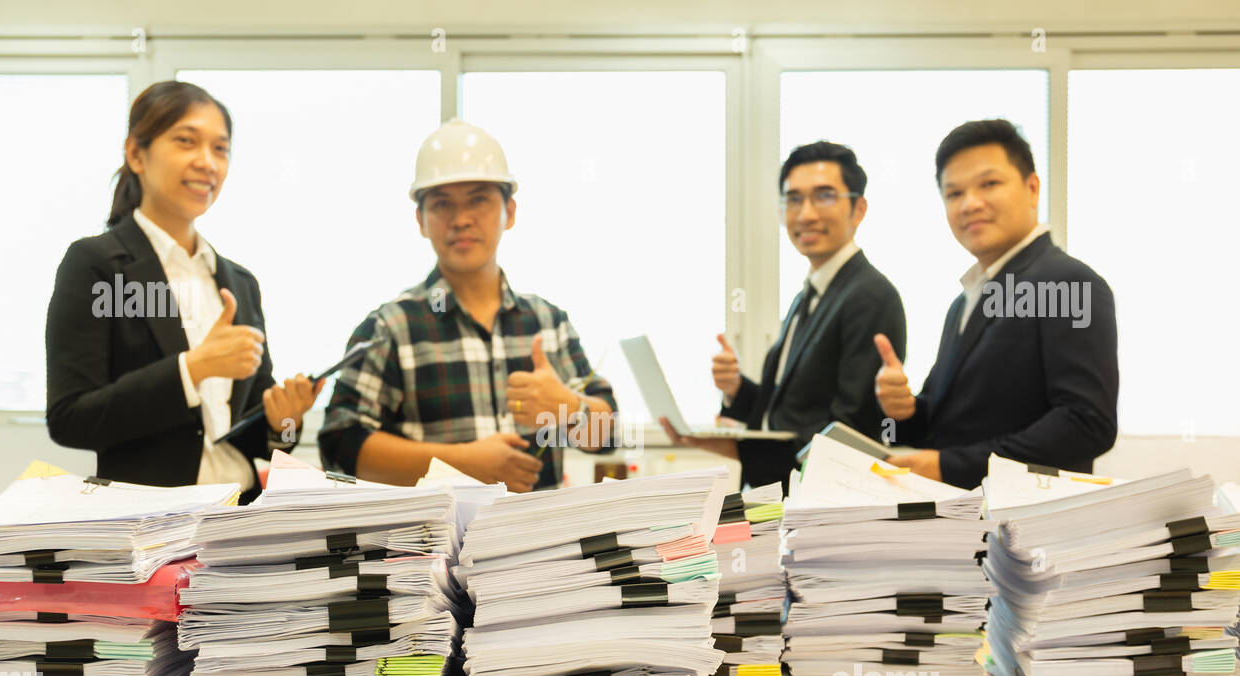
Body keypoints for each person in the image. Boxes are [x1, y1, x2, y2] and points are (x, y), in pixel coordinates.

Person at [46, 80, 321, 494]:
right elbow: (71, 419)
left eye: (220, 148)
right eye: (186, 141)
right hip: (149, 521)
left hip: (241, 518)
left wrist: (287, 419)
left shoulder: (239, 283)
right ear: (136, 154)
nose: (207, 162)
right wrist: (193, 369)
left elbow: (254, 438)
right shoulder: (97, 265)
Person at [319, 118, 616, 492]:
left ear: (509, 211)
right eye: (442, 204)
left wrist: (570, 407)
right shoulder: (390, 327)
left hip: (542, 545)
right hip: (431, 546)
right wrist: (461, 464)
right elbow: (339, 447)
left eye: (478, 200)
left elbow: (608, 434)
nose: (460, 219)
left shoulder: (547, 321)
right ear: (421, 220)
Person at [875, 119, 1118, 488]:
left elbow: (1086, 423)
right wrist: (904, 409)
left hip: (1024, 531)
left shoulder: (1066, 280)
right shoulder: (964, 301)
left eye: (989, 184)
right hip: (963, 525)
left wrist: (951, 466)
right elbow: (945, 426)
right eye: (954, 193)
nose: (971, 203)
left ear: (1032, 188)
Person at [662, 141, 906, 492]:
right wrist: (737, 391)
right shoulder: (809, 294)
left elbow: (847, 438)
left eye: (824, 196)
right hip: (782, 498)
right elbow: (790, 412)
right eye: (793, 199)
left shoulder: (869, 296)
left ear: (858, 208)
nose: (805, 214)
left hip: (822, 506)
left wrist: (736, 447)